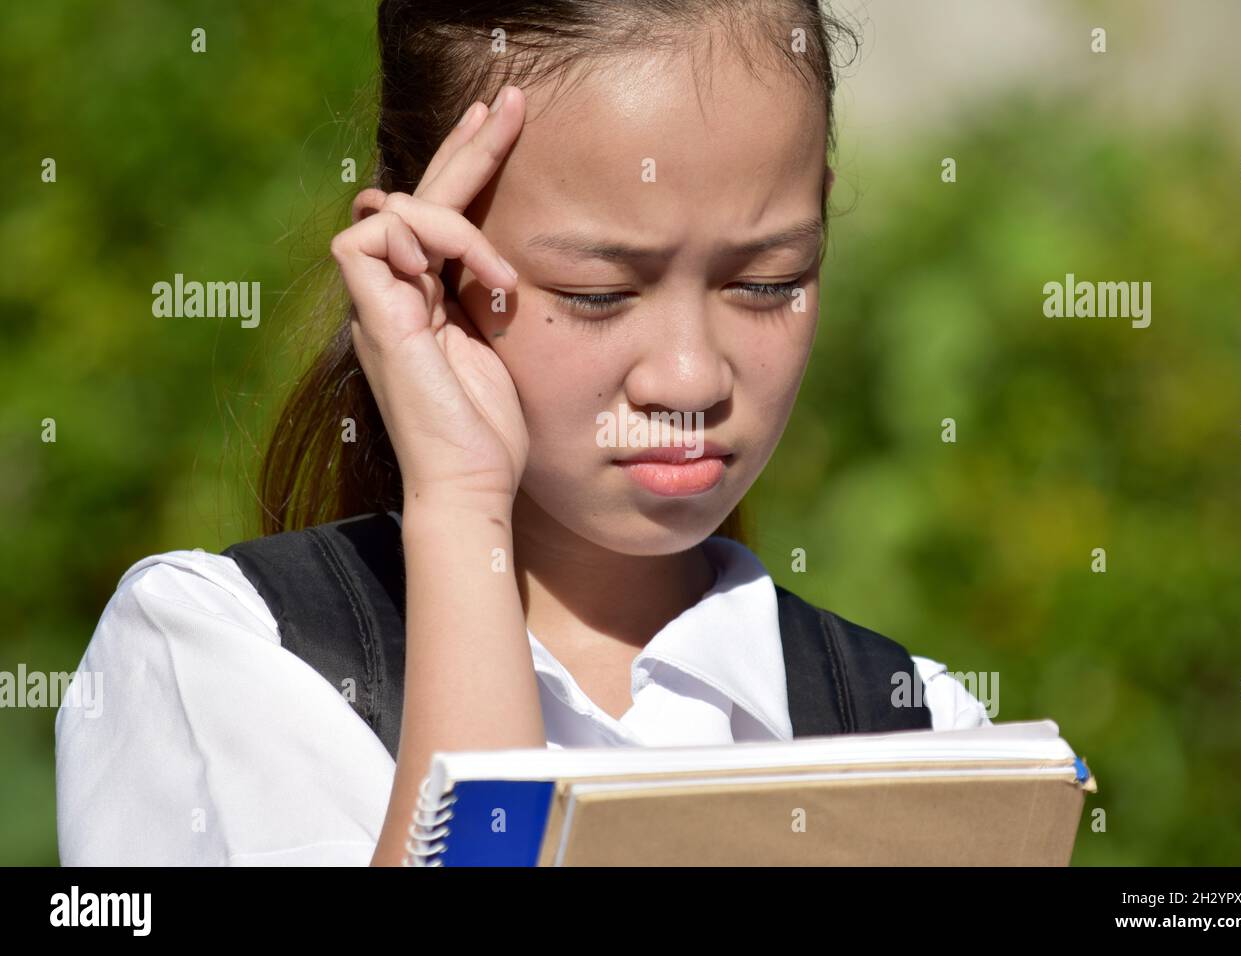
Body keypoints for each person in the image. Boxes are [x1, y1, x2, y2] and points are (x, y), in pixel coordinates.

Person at [55, 0, 992, 867]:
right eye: (597, 294)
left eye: (769, 279)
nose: (690, 377)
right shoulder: (227, 658)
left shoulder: (923, 735)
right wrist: (461, 510)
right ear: (428, 259)